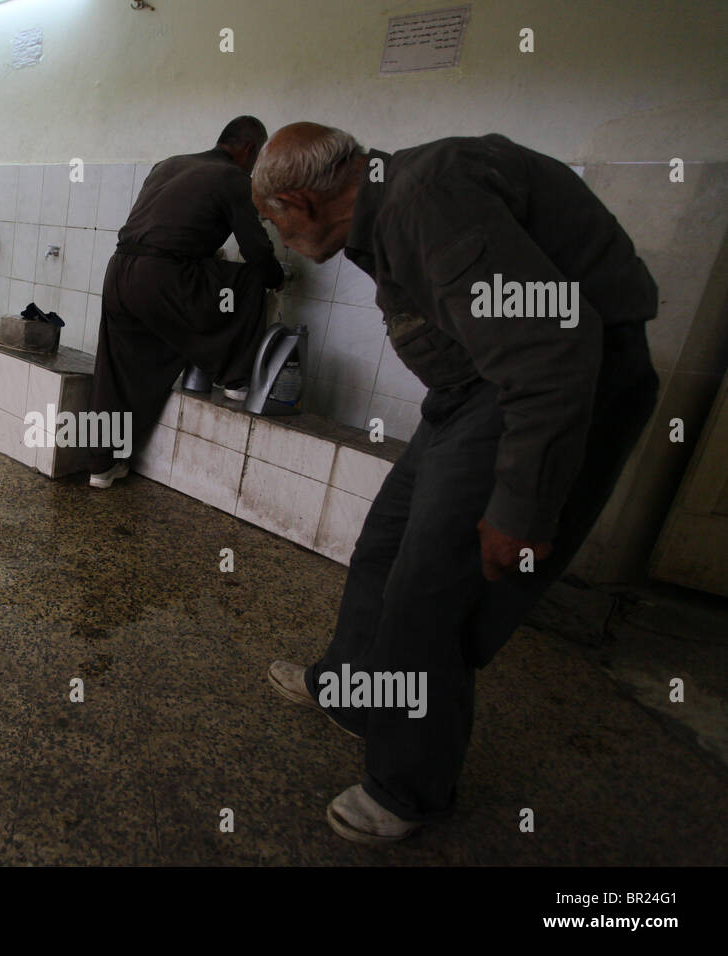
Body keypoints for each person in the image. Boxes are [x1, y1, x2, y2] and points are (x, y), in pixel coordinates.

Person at [251, 123, 660, 844]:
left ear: (297, 202)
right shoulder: (395, 204)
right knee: (383, 549)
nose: (279, 238)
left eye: (272, 221)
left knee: (431, 590)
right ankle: (352, 690)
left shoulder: (427, 198)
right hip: (476, 394)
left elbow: (551, 351)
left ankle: (406, 788)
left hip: (544, 390)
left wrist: (523, 505)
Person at [86, 116, 286, 488]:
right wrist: (277, 279)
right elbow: (256, 249)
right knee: (250, 279)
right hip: (163, 277)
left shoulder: (169, 165)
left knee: (115, 373)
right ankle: (235, 379)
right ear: (249, 150)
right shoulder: (234, 179)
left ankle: (101, 466)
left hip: (119, 274)